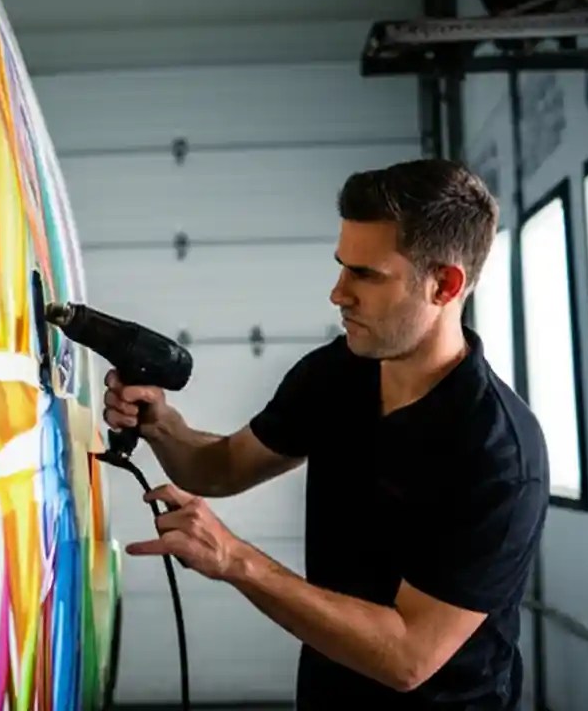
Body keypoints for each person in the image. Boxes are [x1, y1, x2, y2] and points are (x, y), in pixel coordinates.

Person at [103, 158, 550, 710]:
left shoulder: (499, 455)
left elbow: (407, 658)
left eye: (366, 274)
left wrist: (237, 560)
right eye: (343, 266)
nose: (338, 293)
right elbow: (222, 467)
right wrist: (162, 426)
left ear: (445, 285)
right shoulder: (338, 373)